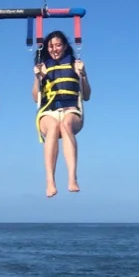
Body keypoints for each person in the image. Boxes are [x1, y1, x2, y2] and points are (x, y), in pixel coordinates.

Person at [32, 30, 91, 198]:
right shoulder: (43, 66)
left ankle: (72, 177)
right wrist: (37, 78)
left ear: (65, 46)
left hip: (71, 111)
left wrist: (83, 74)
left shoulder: (74, 64)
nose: (54, 49)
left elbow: (86, 96)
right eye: (51, 46)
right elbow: (35, 97)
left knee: (65, 125)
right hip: (48, 112)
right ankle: (50, 181)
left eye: (58, 45)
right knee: (53, 127)